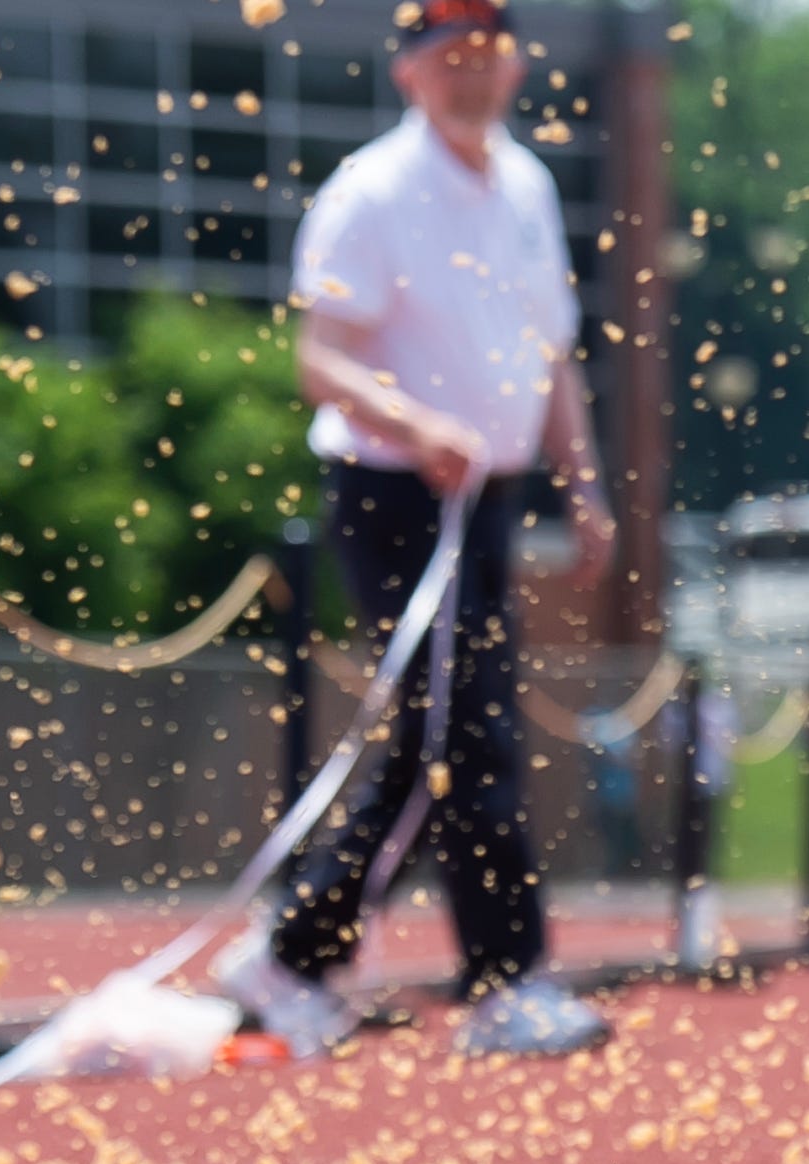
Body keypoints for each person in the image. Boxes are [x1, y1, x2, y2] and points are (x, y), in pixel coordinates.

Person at [215, 0, 615, 1056]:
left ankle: (290, 953)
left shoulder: (526, 187)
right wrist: (413, 421)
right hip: (394, 492)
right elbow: (321, 359)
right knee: (468, 733)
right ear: (410, 75)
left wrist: (584, 487)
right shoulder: (373, 193)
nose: (471, 73)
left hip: (486, 500)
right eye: (450, 58)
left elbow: (553, 358)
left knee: (428, 746)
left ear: (515, 65)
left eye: (486, 53)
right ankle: (504, 981)